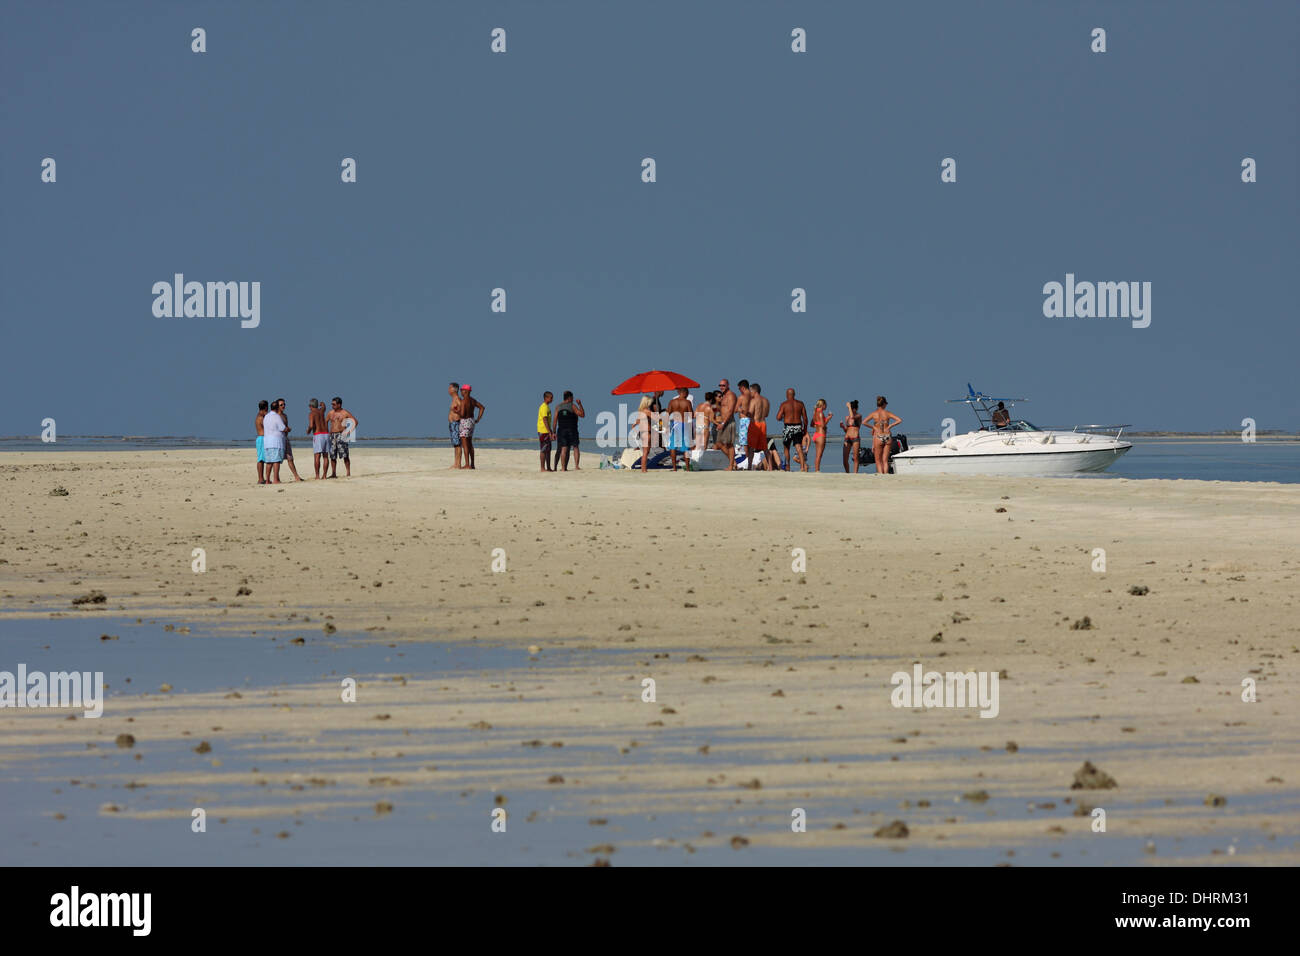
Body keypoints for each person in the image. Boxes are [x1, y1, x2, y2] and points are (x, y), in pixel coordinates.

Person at [867, 395, 902, 475]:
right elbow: (899, 420)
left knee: (878, 460)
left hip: (878, 436)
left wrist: (874, 427)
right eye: (886, 404)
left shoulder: (874, 414)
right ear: (884, 404)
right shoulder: (887, 413)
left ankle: (881, 476)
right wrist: (890, 426)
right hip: (887, 436)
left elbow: (864, 422)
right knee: (885, 460)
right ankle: (886, 476)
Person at [326, 396, 358, 478]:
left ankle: (348, 472)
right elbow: (325, 422)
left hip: (342, 435)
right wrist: (327, 432)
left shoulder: (345, 413)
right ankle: (333, 473)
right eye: (332, 404)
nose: (332, 406)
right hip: (332, 435)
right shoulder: (330, 413)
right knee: (332, 455)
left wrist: (348, 432)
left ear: (339, 404)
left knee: (345, 455)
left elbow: (355, 422)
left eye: (334, 404)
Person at [777, 388, 808, 472]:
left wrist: (784, 416)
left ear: (787, 395)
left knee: (786, 447)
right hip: (798, 426)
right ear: (794, 394)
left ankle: (788, 466)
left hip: (788, 427)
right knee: (798, 447)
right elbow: (805, 418)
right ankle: (802, 467)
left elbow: (778, 417)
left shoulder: (784, 404)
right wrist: (805, 429)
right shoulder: (800, 404)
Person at [552, 391, 584, 471]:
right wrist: (580, 404)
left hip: (561, 430)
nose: (573, 399)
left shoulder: (558, 407)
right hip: (572, 430)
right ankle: (576, 466)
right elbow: (582, 414)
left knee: (563, 449)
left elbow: (555, 421)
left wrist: (554, 432)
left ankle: (563, 468)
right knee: (575, 447)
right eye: (572, 398)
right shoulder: (572, 406)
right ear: (569, 398)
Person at [275, 399, 305, 481]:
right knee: (277, 460)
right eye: (281, 405)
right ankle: (276, 478)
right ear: (277, 406)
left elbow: (286, 427)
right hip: (278, 439)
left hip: (285, 438)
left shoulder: (285, 416)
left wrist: (287, 430)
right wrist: (286, 429)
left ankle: (296, 476)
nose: (283, 406)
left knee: (290, 458)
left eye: (284, 404)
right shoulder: (275, 416)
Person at [665, 387, 693, 471]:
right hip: (684, 424)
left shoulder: (672, 402)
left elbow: (667, 414)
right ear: (684, 393)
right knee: (686, 447)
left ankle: (674, 468)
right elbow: (691, 414)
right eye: (687, 394)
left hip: (675, 424)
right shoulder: (687, 402)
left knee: (673, 447)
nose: (687, 395)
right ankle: (687, 468)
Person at [748, 382, 773, 470]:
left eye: (750, 390)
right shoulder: (766, 401)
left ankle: (749, 466)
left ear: (754, 390)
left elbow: (750, 414)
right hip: (763, 424)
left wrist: (742, 411)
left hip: (755, 424)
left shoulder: (753, 400)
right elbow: (766, 414)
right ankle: (770, 467)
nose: (749, 393)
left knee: (751, 447)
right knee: (765, 448)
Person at [458, 385, 484, 469]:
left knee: (465, 444)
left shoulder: (463, 401)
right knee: (470, 443)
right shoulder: (473, 400)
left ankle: (467, 464)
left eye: (462, 390)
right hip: (472, 421)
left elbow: (462, 414)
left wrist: (457, 411)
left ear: (466, 391)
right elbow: (482, 408)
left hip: (465, 422)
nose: (461, 392)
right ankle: (472, 464)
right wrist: (478, 419)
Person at [714, 379, 737, 470]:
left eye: (723, 385)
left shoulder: (731, 395)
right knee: (718, 443)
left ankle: (731, 466)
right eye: (720, 385)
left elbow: (731, 410)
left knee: (729, 444)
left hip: (728, 422)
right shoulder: (724, 396)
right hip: (722, 422)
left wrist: (723, 423)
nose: (721, 387)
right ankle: (733, 462)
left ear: (728, 385)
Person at [262, 400, 287, 484]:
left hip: (267, 442)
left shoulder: (266, 416)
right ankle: (276, 479)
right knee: (276, 461)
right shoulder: (277, 416)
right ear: (277, 408)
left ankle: (268, 480)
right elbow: (282, 428)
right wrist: (288, 429)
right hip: (276, 442)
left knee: (269, 462)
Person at [308, 399, 330, 478]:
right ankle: (324, 475)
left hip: (318, 434)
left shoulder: (311, 413)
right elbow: (324, 406)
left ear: (310, 406)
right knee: (325, 456)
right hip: (326, 434)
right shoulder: (321, 411)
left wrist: (308, 431)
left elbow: (311, 425)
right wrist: (322, 403)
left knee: (317, 456)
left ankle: (317, 475)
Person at [809, 399, 831, 472]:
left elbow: (811, 424)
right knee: (819, 455)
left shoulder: (815, 412)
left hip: (816, 435)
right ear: (823, 405)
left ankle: (816, 470)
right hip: (821, 435)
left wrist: (817, 425)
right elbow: (823, 425)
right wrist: (829, 418)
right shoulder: (820, 413)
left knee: (817, 455)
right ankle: (817, 470)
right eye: (826, 405)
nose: (826, 406)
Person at [841, 400, 863, 474]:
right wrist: (843, 427)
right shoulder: (847, 417)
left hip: (855, 438)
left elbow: (853, 417)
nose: (851, 410)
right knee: (844, 459)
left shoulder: (858, 416)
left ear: (855, 409)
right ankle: (847, 473)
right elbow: (846, 430)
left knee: (855, 458)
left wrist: (849, 407)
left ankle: (855, 474)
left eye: (852, 408)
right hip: (847, 438)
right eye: (850, 408)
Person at [734, 380, 752, 464]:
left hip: (744, 420)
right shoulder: (753, 396)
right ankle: (750, 461)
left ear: (743, 387)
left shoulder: (742, 397)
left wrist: (739, 409)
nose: (739, 390)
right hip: (752, 420)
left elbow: (735, 410)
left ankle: (746, 462)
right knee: (750, 442)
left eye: (739, 388)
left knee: (744, 443)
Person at [635, 395, 654, 472]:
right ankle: (644, 469)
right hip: (647, 432)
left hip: (642, 433)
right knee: (646, 452)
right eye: (650, 403)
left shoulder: (640, 411)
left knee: (646, 451)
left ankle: (644, 468)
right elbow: (657, 418)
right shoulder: (647, 411)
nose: (650, 404)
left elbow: (638, 421)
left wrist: (634, 425)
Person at [537, 391, 554, 472]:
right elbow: (545, 419)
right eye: (551, 397)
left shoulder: (547, 407)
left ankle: (548, 467)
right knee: (544, 449)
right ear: (546, 398)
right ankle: (542, 468)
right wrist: (549, 432)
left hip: (546, 431)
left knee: (548, 449)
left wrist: (550, 431)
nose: (552, 399)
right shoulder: (544, 407)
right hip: (543, 431)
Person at [448, 382, 464, 469]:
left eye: (450, 388)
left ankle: (458, 464)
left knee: (458, 445)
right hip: (453, 424)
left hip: (456, 423)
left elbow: (463, 410)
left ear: (454, 389)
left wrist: (458, 413)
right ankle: (456, 463)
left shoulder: (457, 399)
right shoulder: (454, 399)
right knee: (455, 445)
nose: (448, 390)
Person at [255, 400, 269, 484]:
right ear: (266, 407)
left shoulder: (261, 416)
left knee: (263, 459)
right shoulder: (261, 417)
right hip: (261, 438)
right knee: (260, 459)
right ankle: (260, 478)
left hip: (263, 438)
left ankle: (262, 478)